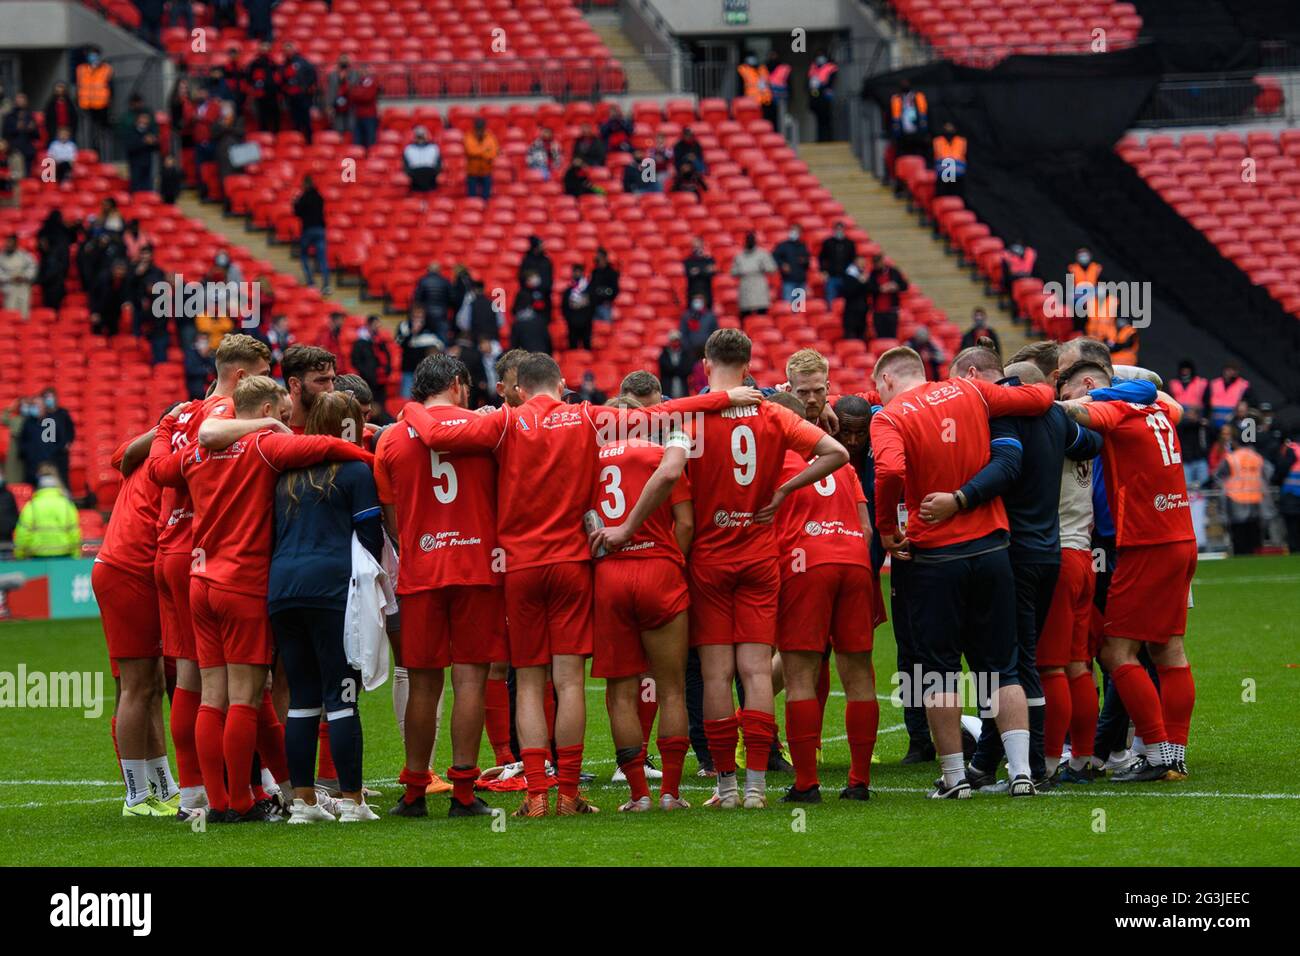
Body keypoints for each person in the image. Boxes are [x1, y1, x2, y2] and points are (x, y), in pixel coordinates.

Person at [398, 352, 759, 816]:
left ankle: (535, 796)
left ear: (521, 390)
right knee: (568, 681)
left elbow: (432, 432)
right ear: (562, 383)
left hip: (520, 566)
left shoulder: (506, 422)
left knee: (529, 682)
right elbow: (658, 414)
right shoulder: (588, 417)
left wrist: (410, 408)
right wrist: (724, 396)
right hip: (574, 563)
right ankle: (569, 793)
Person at [150, 374, 371, 822]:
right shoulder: (264, 447)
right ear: (268, 410)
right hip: (243, 583)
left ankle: (215, 803)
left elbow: (157, 470)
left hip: (200, 580)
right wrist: (367, 453)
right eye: (284, 416)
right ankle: (242, 803)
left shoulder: (196, 450)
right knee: (246, 698)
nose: (289, 423)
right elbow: (329, 448)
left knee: (211, 697)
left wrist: (163, 429)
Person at [870, 345, 1055, 798]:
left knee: (939, 673)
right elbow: (1039, 398)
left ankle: (955, 779)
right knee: (1002, 668)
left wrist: (887, 529)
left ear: (888, 382)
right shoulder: (970, 389)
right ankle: (1020, 774)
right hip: (992, 549)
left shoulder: (889, 416)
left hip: (934, 557)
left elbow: (890, 468)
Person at [672, 330, 846, 809]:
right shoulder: (772, 413)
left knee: (714, 677)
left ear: (706, 363)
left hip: (709, 558)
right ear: (750, 366)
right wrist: (784, 492)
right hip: (759, 554)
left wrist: (715, 400)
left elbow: (640, 417)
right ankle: (756, 788)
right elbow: (838, 453)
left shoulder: (692, 417)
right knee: (755, 672)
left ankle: (724, 787)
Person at [921, 347, 1106, 790]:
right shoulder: (1058, 419)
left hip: (1012, 553)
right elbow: (1094, 442)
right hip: (1052, 552)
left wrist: (959, 499)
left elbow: (1004, 468)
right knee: (1022, 662)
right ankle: (989, 762)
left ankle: (1034, 769)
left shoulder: (1000, 421)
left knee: (1022, 666)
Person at [1059, 360, 1197, 782]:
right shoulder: (1158, 409)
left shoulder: (1115, 409)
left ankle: (1155, 754)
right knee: (1168, 649)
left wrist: (1069, 399)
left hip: (1145, 544)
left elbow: (1072, 414)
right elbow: (1170, 401)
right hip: (1181, 538)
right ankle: (1174, 754)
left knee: (1116, 652)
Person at [380, 356, 501, 818]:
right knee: (470, 679)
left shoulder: (391, 437)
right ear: (457, 384)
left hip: (421, 570)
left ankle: (414, 792)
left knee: (423, 683)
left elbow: (392, 521)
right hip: (476, 566)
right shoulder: (485, 429)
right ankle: (465, 793)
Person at [769, 358, 880, 802]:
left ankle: (806, 783)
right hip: (855, 561)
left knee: (799, 676)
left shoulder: (775, 459)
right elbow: (868, 528)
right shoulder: (843, 461)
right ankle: (859, 782)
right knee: (860, 676)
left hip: (805, 563)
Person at [269, 390, 382, 823]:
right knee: (343, 697)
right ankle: (353, 801)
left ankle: (303, 803)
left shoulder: (286, 475)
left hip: (283, 591)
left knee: (301, 698)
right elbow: (369, 534)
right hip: (334, 592)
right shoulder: (355, 471)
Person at [582, 396, 695, 811]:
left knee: (621, 694)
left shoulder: (588, 459)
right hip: (658, 571)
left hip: (610, 575)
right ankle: (670, 793)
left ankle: (637, 795)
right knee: (672, 690)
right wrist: (670, 561)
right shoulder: (661, 453)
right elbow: (685, 522)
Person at [92, 411, 181, 818]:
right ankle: (136, 797)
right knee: (136, 687)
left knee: (150, 683)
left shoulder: (154, 454)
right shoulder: (166, 453)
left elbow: (120, 456)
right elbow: (119, 455)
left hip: (136, 571)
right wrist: (168, 424)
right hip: (129, 571)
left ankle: (163, 788)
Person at [1215, 434, 1270, 556]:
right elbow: (1268, 473)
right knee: (1254, 537)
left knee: (1239, 537)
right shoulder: (1257, 457)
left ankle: (1241, 556)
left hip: (1236, 499)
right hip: (1255, 499)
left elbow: (1218, 476)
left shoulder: (1231, 458)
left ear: (1235, 443)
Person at [13, 464, 80, 558]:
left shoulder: (31, 506)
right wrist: (75, 556)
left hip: (37, 558)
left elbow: (22, 534)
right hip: (64, 557)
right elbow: (74, 533)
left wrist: (20, 556)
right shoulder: (67, 505)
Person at [294, 175, 329, 293]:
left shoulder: (303, 197)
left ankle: (311, 282)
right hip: (320, 229)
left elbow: (297, 212)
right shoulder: (319, 197)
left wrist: (295, 203)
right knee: (322, 258)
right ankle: (326, 285)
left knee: (304, 255)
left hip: (308, 230)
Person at [731, 233, 776, 320]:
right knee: (745, 315)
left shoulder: (763, 254)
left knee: (762, 314)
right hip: (746, 287)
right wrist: (741, 271)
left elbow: (772, 268)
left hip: (759, 286)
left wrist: (763, 267)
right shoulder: (739, 256)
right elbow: (733, 271)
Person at [279, 43, 318, 144]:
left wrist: (305, 88)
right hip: (292, 98)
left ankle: (309, 142)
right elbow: (282, 80)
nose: (287, 52)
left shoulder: (303, 62)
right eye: (285, 50)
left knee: (306, 121)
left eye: (289, 50)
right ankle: (297, 143)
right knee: (295, 121)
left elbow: (312, 75)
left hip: (303, 97)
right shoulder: (284, 65)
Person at [888, 78, 928, 173]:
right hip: (902, 135)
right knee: (902, 157)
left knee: (918, 155)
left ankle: (918, 173)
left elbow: (925, 114)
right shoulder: (896, 99)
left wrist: (924, 132)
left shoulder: (918, 97)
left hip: (917, 134)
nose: (905, 84)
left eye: (906, 82)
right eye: (903, 83)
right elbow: (890, 116)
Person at [350, 315, 390, 409]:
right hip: (367, 380)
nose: (377, 327)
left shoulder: (380, 341)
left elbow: (387, 357)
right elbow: (355, 360)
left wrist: (387, 370)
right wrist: (367, 373)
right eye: (375, 324)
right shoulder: (360, 342)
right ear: (369, 325)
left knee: (381, 406)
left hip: (380, 380)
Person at [865, 254, 908, 340]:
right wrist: (880, 288)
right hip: (878, 311)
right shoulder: (872, 274)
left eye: (878, 262)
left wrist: (896, 286)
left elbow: (905, 286)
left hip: (891, 310)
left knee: (892, 336)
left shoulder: (894, 272)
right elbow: (868, 288)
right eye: (875, 263)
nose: (877, 265)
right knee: (880, 337)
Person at [510, 272, 552, 354]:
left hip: (528, 358)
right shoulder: (540, 321)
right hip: (539, 357)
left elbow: (514, 346)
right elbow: (548, 342)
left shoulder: (517, 325)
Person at [245, 42, 281, 133]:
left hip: (272, 95)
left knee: (274, 117)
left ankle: (276, 136)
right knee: (262, 117)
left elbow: (278, 78)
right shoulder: (254, 64)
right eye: (263, 47)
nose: (264, 49)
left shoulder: (273, 63)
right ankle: (263, 135)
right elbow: (249, 78)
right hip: (260, 95)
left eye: (266, 47)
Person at [818, 221, 856, 305]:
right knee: (830, 300)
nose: (839, 231)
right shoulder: (828, 242)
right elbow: (821, 258)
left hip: (846, 277)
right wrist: (823, 271)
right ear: (834, 230)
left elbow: (853, 260)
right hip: (832, 277)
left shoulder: (849, 244)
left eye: (841, 229)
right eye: (837, 229)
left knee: (847, 301)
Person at [1207, 363, 1254, 431]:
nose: (1231, 372)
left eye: (1234, 370)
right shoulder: (1214, 383)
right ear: (1224, 371)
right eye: (1229, 370)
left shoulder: (1243, 384)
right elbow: (1206, 402)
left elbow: (1250, 402)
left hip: (1233, 422)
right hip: (1214, 421)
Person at [3, 93, 39, 178]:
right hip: (14, 151)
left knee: (27, 177)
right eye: (19, 100)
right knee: (16, 177)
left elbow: (37, 136)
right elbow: (5, 134)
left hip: (28, 152)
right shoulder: (10, 117)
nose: (21, 102)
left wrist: (32, 129)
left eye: (23, 100)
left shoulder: (30, 116)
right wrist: (16, 128)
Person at [1275, 430, 1300, 554]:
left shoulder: (1291, 449)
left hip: (1292, 495)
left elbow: (1281, 470)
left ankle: (1294, 550)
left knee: (1292, 529)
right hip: (1293, 495)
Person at [0, 234, 36, 317]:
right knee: (10, 313)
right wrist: (9, 278)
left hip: (23, 286)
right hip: (9, 287)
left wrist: (25, 276)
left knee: (24, 313)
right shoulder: (1, 256)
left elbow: (32, 267)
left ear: (16, 244)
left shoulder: (24, 255)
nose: (9, 245)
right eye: (8, 242)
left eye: (11, 243)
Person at [773, 225, 811, 302]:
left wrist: (805, 261)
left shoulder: (802, 246)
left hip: (801, 281)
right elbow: (774, 257)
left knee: (798, 307)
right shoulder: (783, 246)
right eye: (793, 230)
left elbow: (807, 262)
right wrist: (782, 264)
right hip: (788, 281)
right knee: (788, 307)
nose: (794, 233)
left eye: (797, 231)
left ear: (800, 233)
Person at [561, 263, 595, 350]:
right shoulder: (568, 291)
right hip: (572, 324)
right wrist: (570, 319)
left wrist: (587, 318)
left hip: (586, 324)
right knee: (573, 348)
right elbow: (564, 307)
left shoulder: (589, 290)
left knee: (587, 346)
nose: (576, 274)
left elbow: (592, 306)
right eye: (575, 272)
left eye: (578, 272)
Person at [464, 117, 499, 200]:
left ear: (484, 127)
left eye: (481, 128)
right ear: (474, 127)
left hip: (486, 171)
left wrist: (479, 151)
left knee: (486, 198)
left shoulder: (490, 137)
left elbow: (493, 154)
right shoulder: (468, 137)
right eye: (477, 128)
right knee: (472, 199)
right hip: (472, 171)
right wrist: (485, 149)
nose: (479, 130)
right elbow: (470, 151)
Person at [124, 111, 159, 193]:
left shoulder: (150, 131)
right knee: (136, 187)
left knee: (147, 187)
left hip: (147, 164)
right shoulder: (131, 131)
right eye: (143, 118)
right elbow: (130, 147)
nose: (144, 120)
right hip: (135, 163)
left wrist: (154, 142)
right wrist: (144, 142)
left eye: (146, 118)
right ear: (137, 120)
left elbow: (156, 148)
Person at [807, 52, 838, 142]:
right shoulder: (813, 68)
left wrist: (822, 86)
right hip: (816, 97)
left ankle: (828, 139)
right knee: (819, 120)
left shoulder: (831, 67)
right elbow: (808, 83)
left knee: (827, 120)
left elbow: (831, 82)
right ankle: (820, 139)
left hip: (825, 97)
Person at [932, 121, 967, 198]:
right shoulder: (937, 141)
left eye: (950, 126)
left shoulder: (961, 141)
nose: (949, 128)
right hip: (943, 174)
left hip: (957, 174)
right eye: (947, 126)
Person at [402, 126, 441, 193]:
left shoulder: (434, 148)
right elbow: (406, 167)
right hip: (415, 179)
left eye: (422, 136)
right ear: (415, 137)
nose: (420, 139)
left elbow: (438, 165)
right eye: (419, 136)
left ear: (426, 136)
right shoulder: (409, 149)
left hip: (430, 178)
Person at [325, 54, 357, 135]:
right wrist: (329, 105)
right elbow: (330, 91)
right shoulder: (332, 75)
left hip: (351, 105)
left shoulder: (355, 74)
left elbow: (355, 88)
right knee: (338, 129)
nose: (344, 63)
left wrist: (345, 79)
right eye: (342, 61)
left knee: (351, 128)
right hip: (337, 106)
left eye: (345, 60)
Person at [678, 295, 717, 360]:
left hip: (707, 351)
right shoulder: (687, 316)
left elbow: (715, 332)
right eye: (696, 300)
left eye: (700, 300)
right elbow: (683, 333)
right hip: (690, 352)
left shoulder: (710, 316)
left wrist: (710, 347)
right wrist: (688, 348)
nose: (698, 302)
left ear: (704, 302)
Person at [683, 236, 716, 308]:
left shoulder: (709, 260)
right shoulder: (688, 261)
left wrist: (697, 271)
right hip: (693, 294)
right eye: (694, 247)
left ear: (703, 246)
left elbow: (712, 272)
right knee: (695, 317)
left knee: (707, 317)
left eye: (698, 246)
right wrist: (705, 270)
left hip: (707, 295)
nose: (696, 249)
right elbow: (689, 273)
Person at [589, 248, 619, 323]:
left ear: (604, 258)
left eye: (598, 258)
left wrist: (605, 295)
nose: (597, 261)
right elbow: (592, 288)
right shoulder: (595, 272)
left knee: (606, 329)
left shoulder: (611, 273)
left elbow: (613, 290)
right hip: (594, 306)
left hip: (605, 306)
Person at [659, 330, 691, 400]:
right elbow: (664, 368)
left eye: (677, 340)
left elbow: (687, 369)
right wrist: (678, 369)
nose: (675, 343)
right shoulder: (664, 354)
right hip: (668, 388)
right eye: (673, 340)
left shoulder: (685, 354)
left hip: (682, 388)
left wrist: (673, 369)